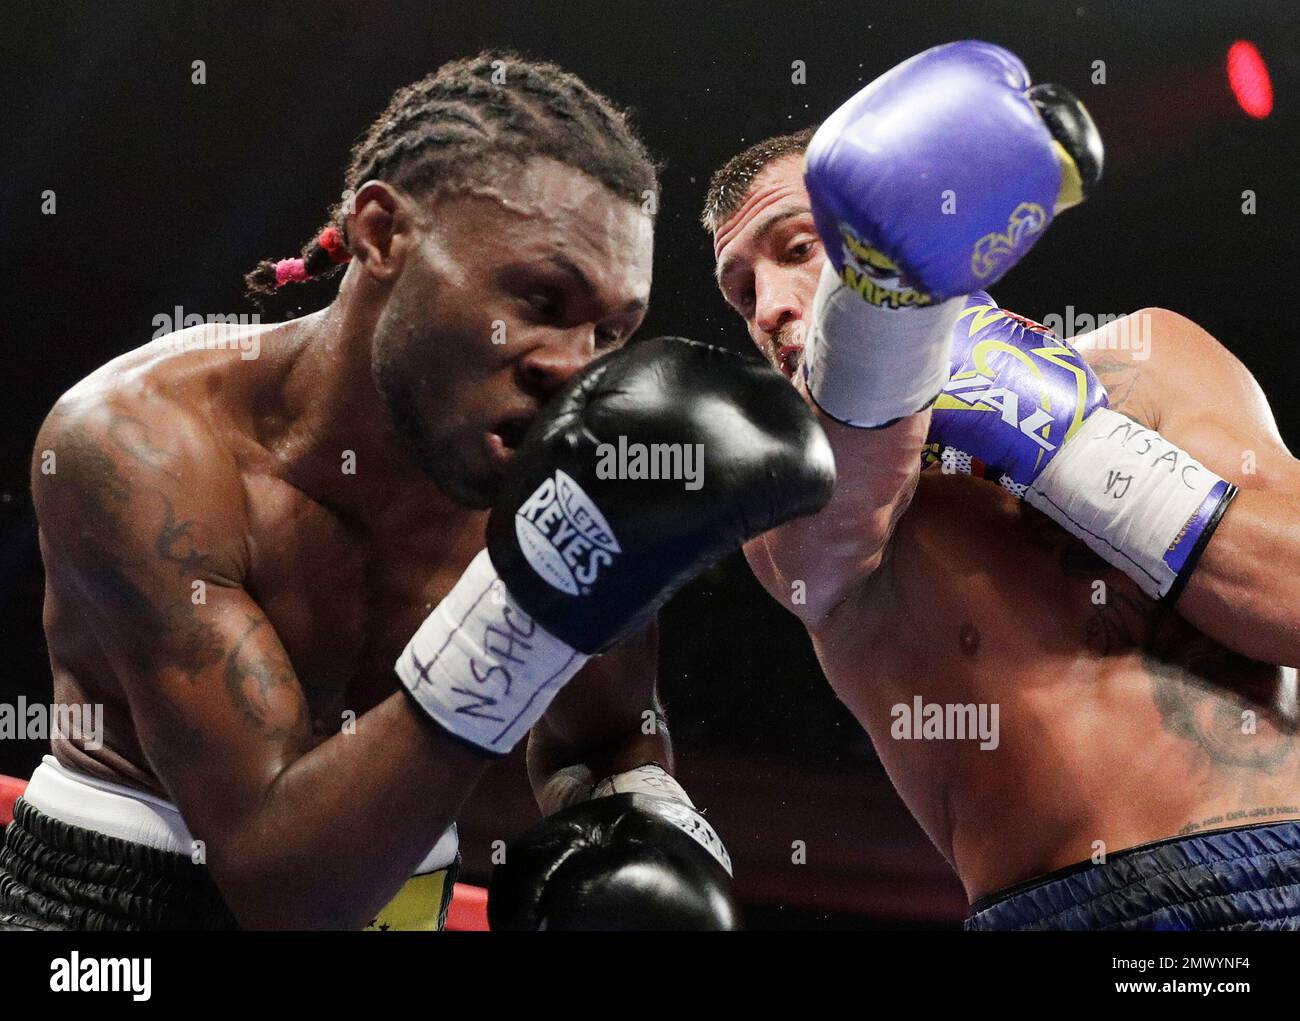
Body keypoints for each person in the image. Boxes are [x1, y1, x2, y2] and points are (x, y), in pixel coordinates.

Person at [1, 53, 833, 930]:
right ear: (383, 232)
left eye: (609, 332)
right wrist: (534, 599)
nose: (573, 367)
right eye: (541, 299)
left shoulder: (547, 461)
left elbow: (607, 740)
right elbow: (284, 889)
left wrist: (649, 832)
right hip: (110, 912)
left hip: (404, 901)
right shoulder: (140, 444)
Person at [704, 41, 1300, 929]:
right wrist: (883, 322)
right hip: (1068, 911)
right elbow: (821, 541)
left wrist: (1067, 438)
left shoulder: (1151, 360)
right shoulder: (794, 489)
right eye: (741, 293)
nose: (770, 308)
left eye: (797, 250)